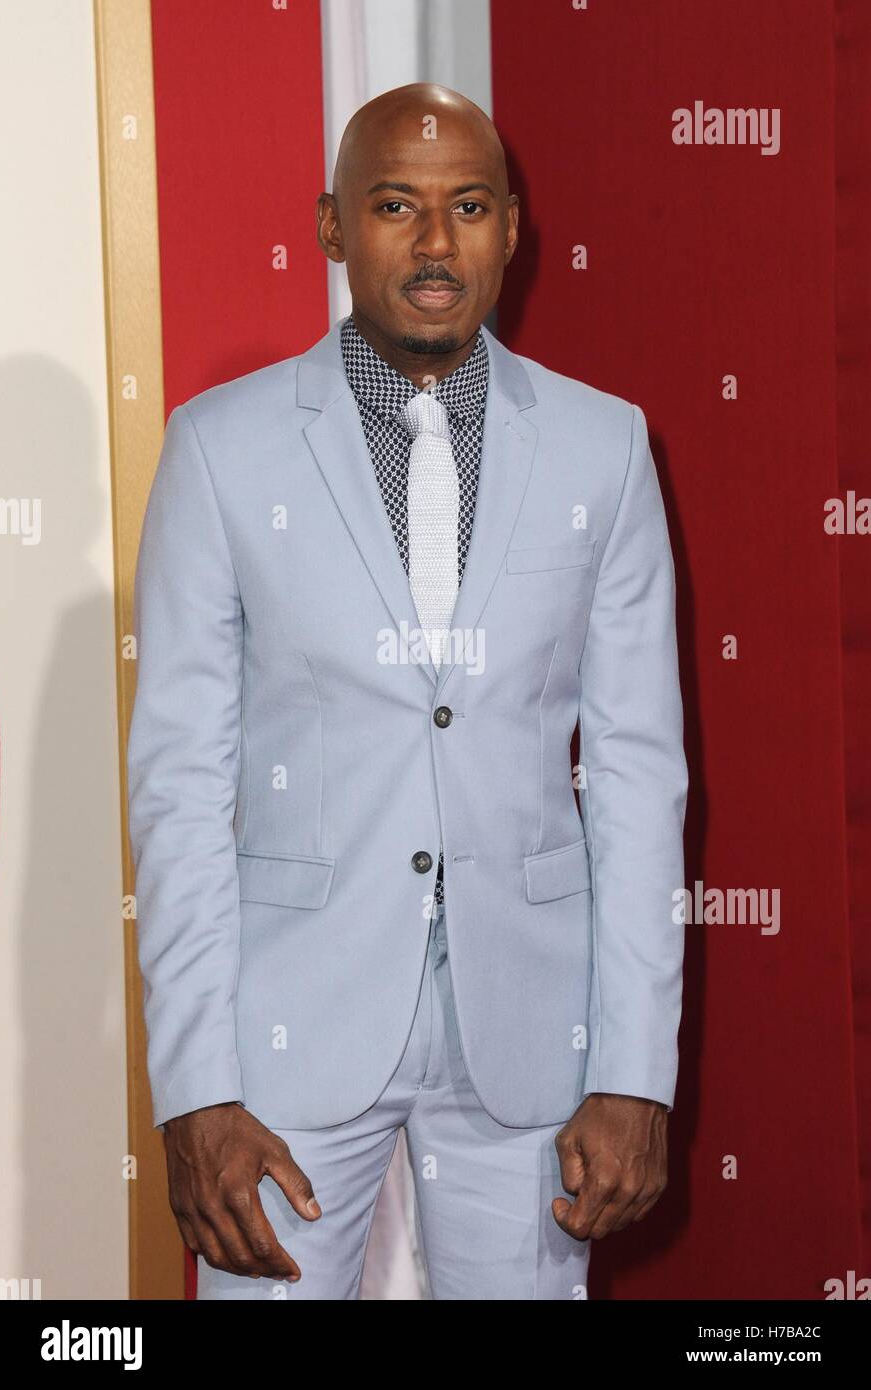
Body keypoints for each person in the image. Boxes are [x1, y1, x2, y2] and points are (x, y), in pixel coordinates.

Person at [127, 82, 688, 1300]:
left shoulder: (605, 446)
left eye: (467, 207)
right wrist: (197, 1088)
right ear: (332, 226)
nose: (434, 245)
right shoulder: (219, 450)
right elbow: (176, 789)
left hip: (533, 1040)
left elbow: (641, 777)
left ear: (511, 228)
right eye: (395, 206)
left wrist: (637, 1069)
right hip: (283, 1040)